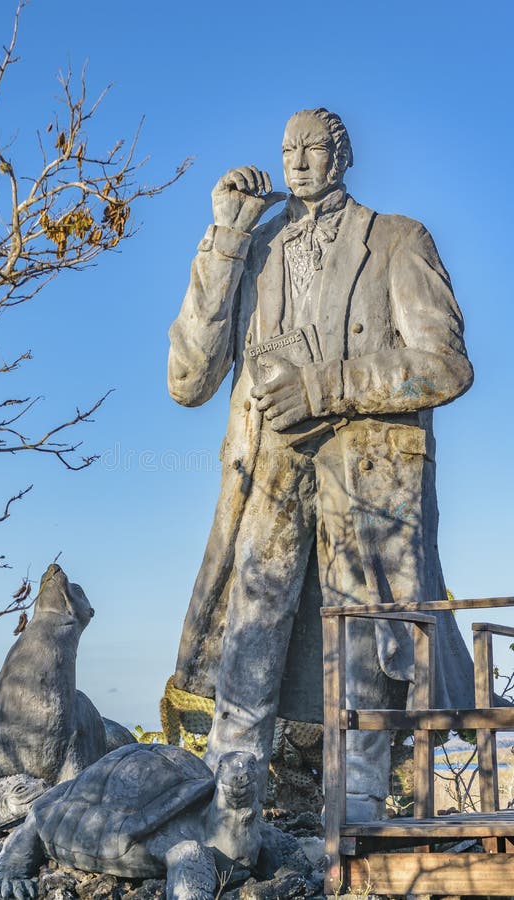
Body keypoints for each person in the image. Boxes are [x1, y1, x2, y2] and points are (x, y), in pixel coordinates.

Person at [168, 108, 475, 820]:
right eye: (287, 149)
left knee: (365, 627)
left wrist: (325, 386)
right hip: (266, 470)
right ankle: (230, 798)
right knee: (253, 614)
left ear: (344, 155)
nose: (297, 161)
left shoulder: (397, 240)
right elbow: (188, 380)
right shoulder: (252, 248)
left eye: (313, 147)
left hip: (366, 475)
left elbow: (445, 366)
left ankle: (359, 802)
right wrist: (226, 237)